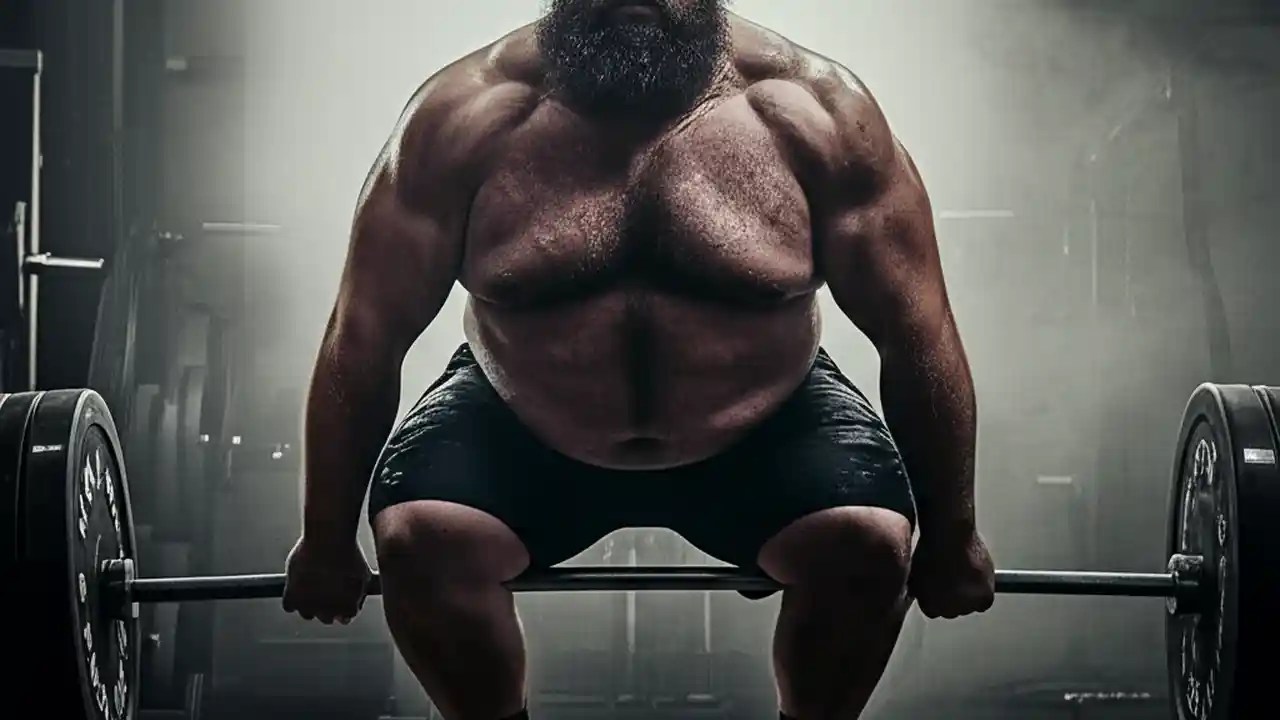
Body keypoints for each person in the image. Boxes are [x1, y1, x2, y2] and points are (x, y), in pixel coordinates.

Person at [282, 1, 995, 718]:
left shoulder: (818, 113)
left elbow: (916, 335)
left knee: (868, 543)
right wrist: (325, 538)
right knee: (420, 538)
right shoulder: (462, 117)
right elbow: (364, 336)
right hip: (522, 418)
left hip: (764, 425)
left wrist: (953, 535)